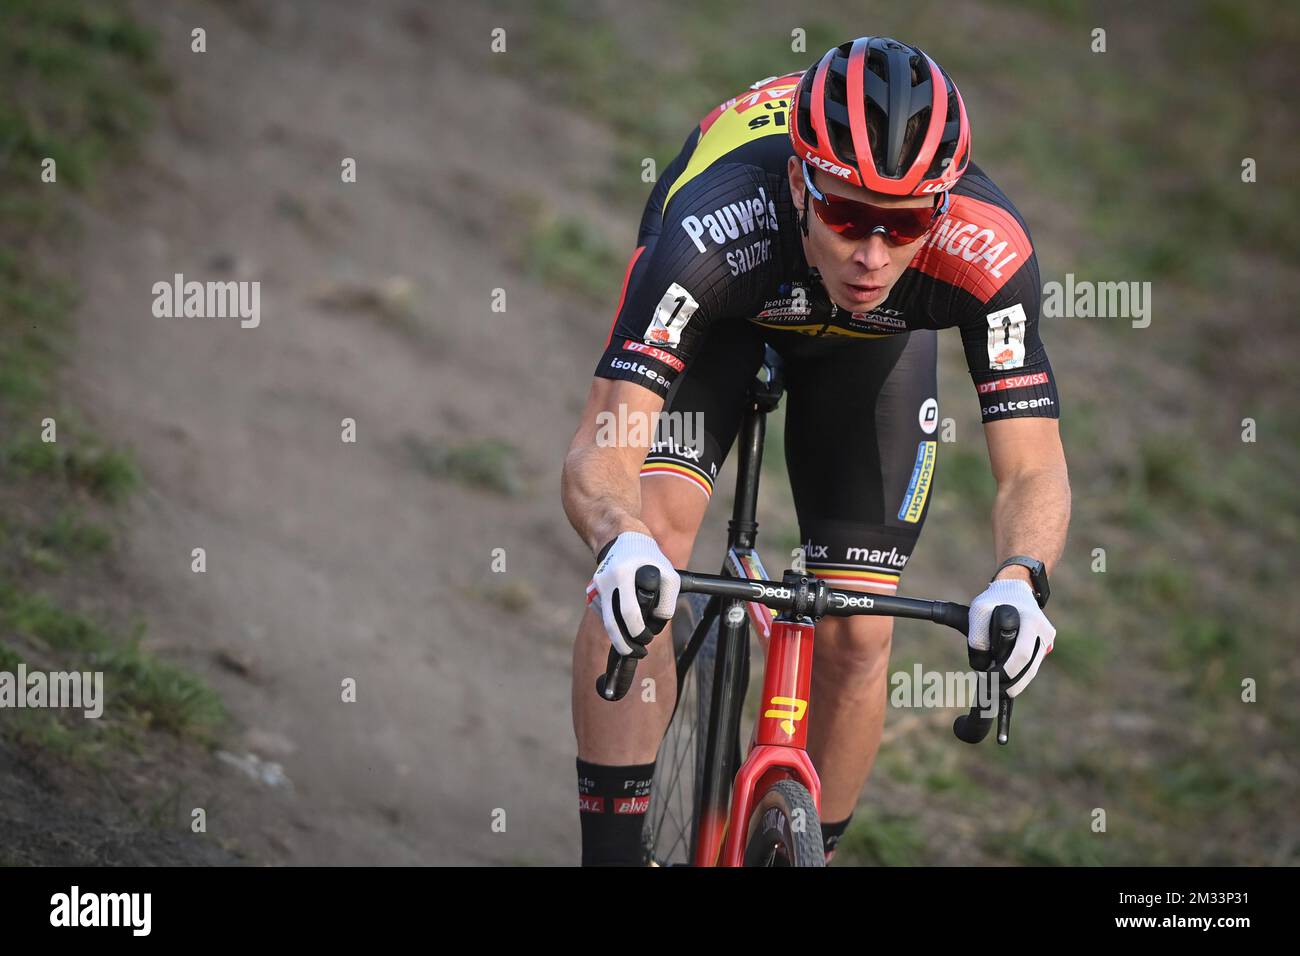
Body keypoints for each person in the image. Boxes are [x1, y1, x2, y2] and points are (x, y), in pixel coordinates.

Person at [562, 36, 1069, 866]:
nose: (872, 254)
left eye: (903, 224)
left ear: (939, 209)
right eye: (846, 214)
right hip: (733, 308)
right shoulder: (711, 229)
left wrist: (1022, 576)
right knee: (655, 542)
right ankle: (611, 852)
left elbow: (1034, 465)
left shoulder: (988, 251)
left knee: (858, 632)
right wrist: (618, 539)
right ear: (801, 183)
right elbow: (602, 443)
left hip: (872, 349)